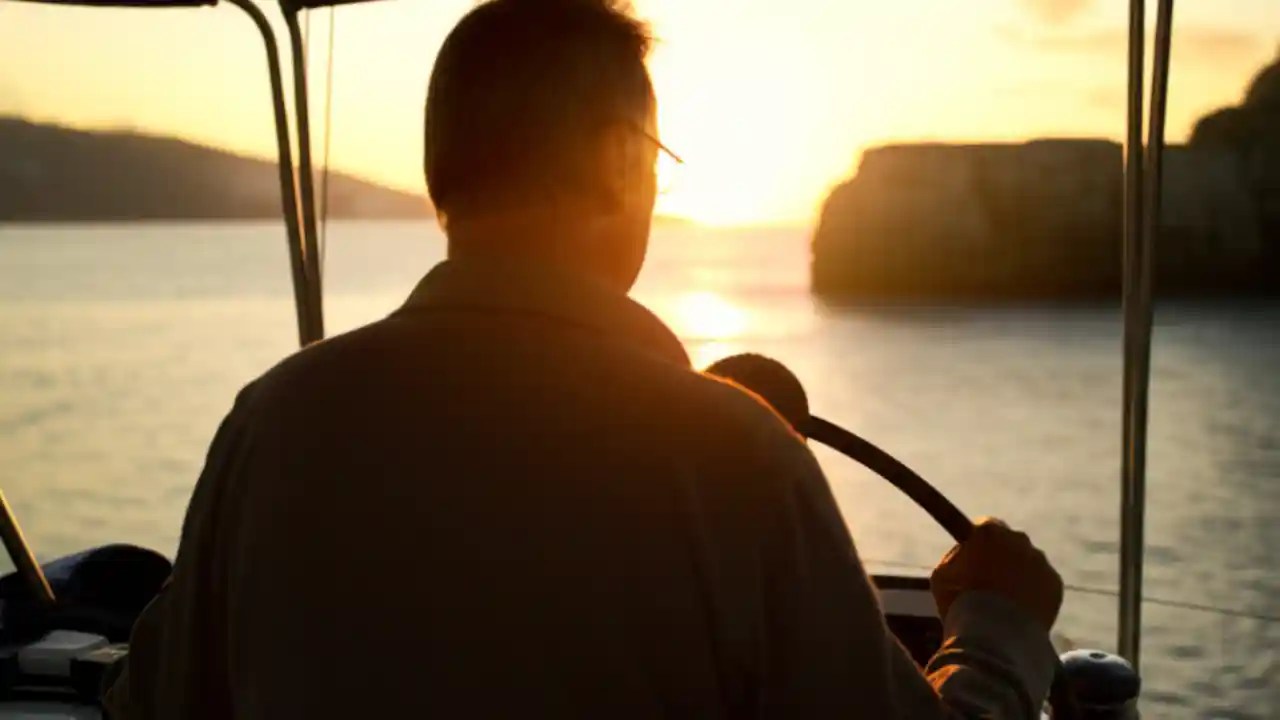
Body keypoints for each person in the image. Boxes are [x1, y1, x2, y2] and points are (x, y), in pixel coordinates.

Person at [105, 0, 1063, 717]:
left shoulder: (272, 425)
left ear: (446, 176)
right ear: (619, 160)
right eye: (654, 156)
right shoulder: (732, 456)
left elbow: (148, 704)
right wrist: (996, 633)